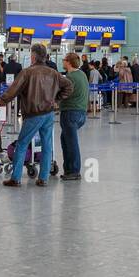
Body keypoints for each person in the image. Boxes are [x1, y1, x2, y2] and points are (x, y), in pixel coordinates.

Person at [0, 44, 72, 188]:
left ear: (33, 56)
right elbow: (69, 85)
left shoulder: (27, 73)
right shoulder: (53, 73)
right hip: (48, 113)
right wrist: (57, 100)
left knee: (22, 144)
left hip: (33, 114)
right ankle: (43, 178)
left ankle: (15, 178)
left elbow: (12, 92)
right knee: (47, 145)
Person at [58, 52, 88, 181]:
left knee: (71, 142)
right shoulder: (82, 74)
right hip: (81, 112)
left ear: (68, 62)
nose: (62, 62)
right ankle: (69, 169)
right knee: (65, 139)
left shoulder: (70, 77)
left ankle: (74, 170)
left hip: (70, 112)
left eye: (64, 60)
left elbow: (62, 93)